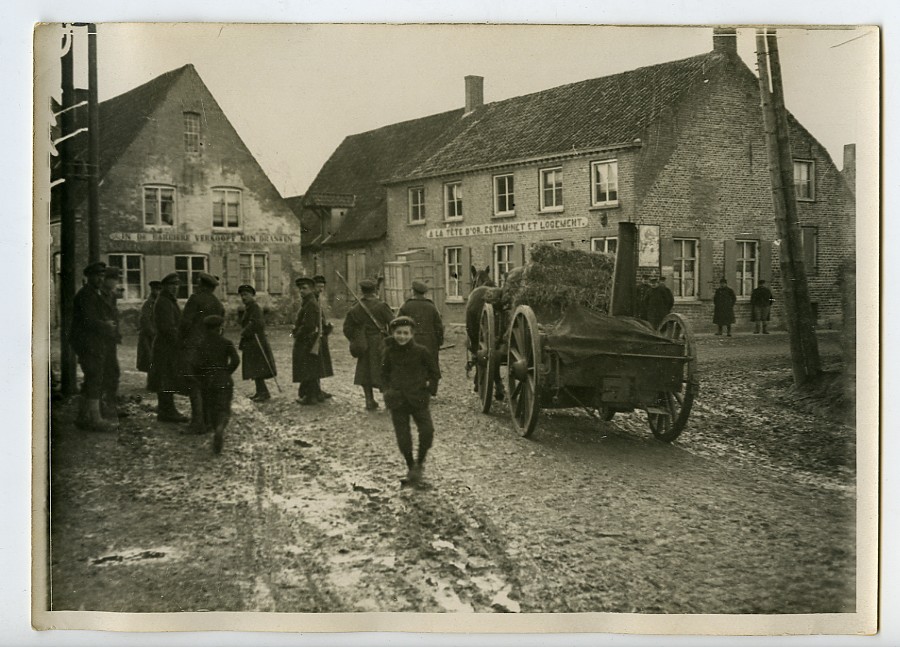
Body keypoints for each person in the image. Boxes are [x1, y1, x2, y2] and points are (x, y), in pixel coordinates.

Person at [381, 315, 440, 486]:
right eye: (398, 333)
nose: (402, 337)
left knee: (427, 431)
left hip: (418, 399)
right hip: (397, 400)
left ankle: (419, 463)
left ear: (412, 334)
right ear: (393, 333)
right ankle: (410, 465)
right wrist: (387, 392)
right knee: (403, 436)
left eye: (406, 333)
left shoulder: (421, 351)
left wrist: (428, 390)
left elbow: (434, 373)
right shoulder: (389, 352)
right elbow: (383, 374)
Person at [69, 262, 119, 432]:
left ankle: (83, 417)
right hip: (87, 343)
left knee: (92, 378)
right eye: (97, 275)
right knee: (95, 378)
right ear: (88, 276)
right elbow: (88, 320)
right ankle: (95, 419)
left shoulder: (95, 294)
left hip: (95, 342)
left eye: (102, 276)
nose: (100, 279)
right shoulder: (85, 295)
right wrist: (106, 326)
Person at [179, 272, 225, 433]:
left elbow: (185, 323)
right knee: (207, 384)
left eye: (199, 283)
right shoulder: (217, 303)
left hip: (195, 347)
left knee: (194, 383)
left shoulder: (195, 299)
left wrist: (182, 341)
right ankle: (209, 422)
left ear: (202, 285)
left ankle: (197, 423)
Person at [343, 278, 394, 411]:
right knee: (384, 370)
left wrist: (356, 339)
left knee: (365, 372)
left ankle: (369, 401)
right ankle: (388, 402)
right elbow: (394, 323)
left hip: (364, 344)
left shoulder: (355, 308)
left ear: (362, 291)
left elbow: (347, 328)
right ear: (375, 290)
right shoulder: (382, 306)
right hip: (380, 342)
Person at [195, 315, 240, 454]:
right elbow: (236, 360)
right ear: (219, 328)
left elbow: (196, 365)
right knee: (224, 408)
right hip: (224, 380)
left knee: (211, 407)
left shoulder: (201, 344)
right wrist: (227, 372)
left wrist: (202, 377)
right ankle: (220, 427)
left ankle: (215, 427)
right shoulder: (226, 342)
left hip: (208, 381)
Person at [148, 273, 189, 423]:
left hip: (167, 346)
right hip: (165, 346)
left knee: (167, 377)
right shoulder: (164, 302)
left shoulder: (168, 300)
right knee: (165, 377)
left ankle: (167, 409)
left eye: (177, 285)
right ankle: (167, 411)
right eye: (172, 285)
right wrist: (181, 341)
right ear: (165, 286)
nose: (175, 288)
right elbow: (167, 328)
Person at [237, 284, 277, 402]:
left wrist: (245, 331)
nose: (243, 297)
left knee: (258, 368)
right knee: (254, 368)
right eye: (242, 295)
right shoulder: (248, 308)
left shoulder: (255, 307)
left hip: (256, 341)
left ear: (252, 295)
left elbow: (258, 323)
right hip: (251, 342)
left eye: (246, 295)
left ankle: (263, 393)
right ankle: (260, 391)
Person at [398, 280, 444, 377]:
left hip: (411, 341)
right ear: (424, 293)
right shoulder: (432, 307)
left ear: (413, 291)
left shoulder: (406, 306)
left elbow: (398, 325)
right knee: (430, 367)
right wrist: (439, 342)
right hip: (430, 342)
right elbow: (439, 327)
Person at [292, 277, 322, 405]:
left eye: (304, 288)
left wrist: (297, 333)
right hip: (308, 339)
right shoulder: (308, 302)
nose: (301, 291)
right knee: (310, 368)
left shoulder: (310, 303)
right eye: (300, 288)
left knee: (307, 368)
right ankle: (314, 395)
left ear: (311, 289)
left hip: (307, 340)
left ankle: (310, 397)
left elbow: (309, 325)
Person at [312, 275, 334, 401]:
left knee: (318, 364)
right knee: (315, 364)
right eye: (318, 286)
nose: (320, 289)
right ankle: (314, 391)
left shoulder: (317, 298)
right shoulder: (312, 300)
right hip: (315, 336)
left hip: (320, 334)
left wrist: (326, 326)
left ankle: (317, 389)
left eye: (322, 287)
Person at [137, 280, 162, 377]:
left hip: (156, 335)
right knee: (150, 358)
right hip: (149, 336)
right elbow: (145, 320)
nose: (158, 292)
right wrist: (153, 333)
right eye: (156, 290)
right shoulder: (148, 304)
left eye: (160, 290)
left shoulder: (159, 302)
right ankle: (152, 381)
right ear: (152, 290)